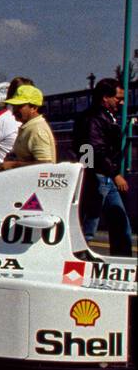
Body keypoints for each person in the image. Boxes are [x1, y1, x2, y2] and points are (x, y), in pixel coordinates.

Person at [74, 77, 131, 257]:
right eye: (118, 98)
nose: (121, 102)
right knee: (92, 224)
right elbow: (95, 150)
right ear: (105, 97)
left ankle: (121, 260)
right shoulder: (95, 119)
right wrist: (114, 174)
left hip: (99, 175)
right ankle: (80, 259)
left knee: (116, 222)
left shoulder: (95, 117)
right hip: (100, 176)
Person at [1, 85, 56, 168]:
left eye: (19, 106)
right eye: (14, 106)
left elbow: (46, 164)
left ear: (33, 108)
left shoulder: (37, 129)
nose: (14, 111)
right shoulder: (29, 127)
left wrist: (13, 165)